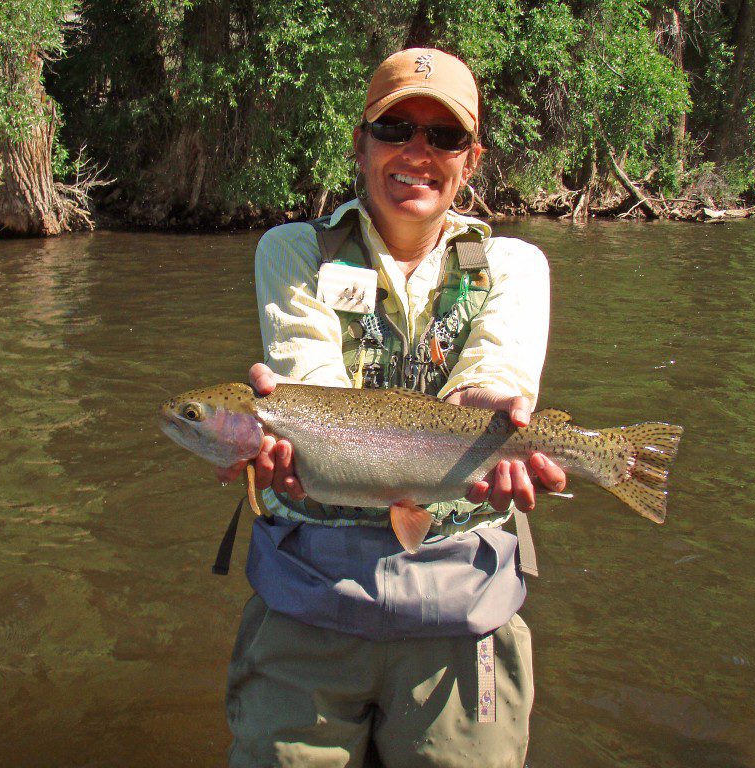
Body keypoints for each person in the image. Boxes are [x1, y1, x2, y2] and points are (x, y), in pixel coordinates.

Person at [217, 48, 567, 768]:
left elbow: (491, 376)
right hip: (311, 599)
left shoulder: (513, 265)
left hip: (461, 606)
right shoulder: (294, 251)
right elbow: (319, 397)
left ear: (470, 161)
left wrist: (493, 410)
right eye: (395, 127)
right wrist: (285, 436)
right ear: (360, 142)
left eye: (443, 137)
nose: (417, 151)